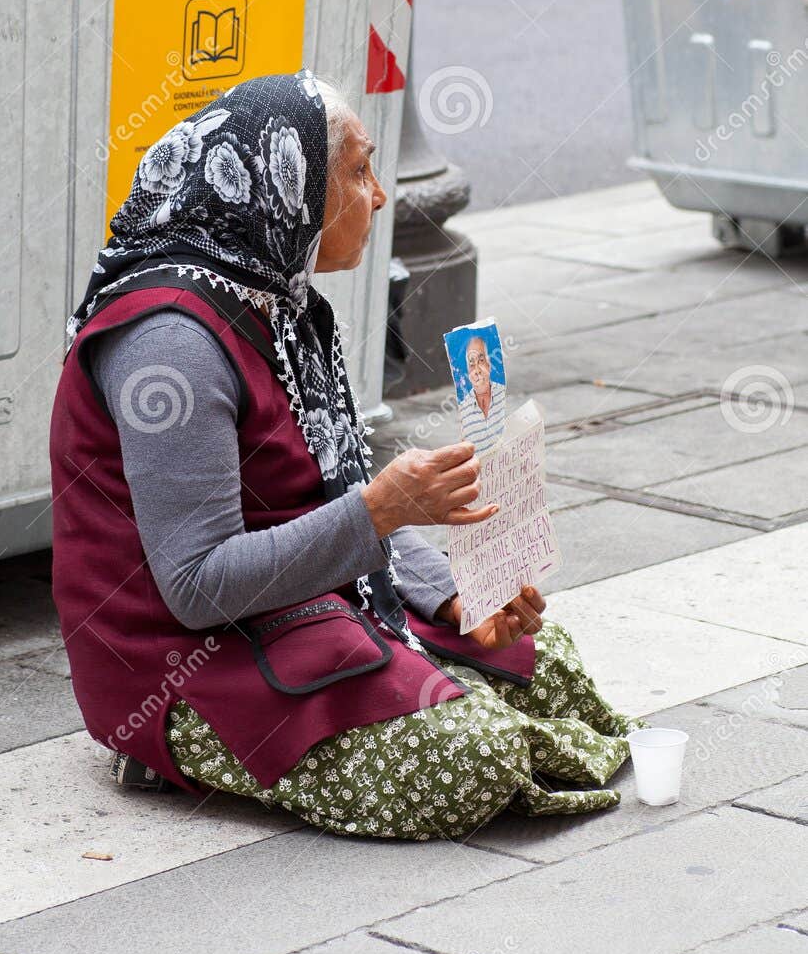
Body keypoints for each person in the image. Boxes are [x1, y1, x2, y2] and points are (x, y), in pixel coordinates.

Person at [50, 69, 642, 840]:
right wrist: (383, 510)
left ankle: (467, 700)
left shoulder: (281, 302)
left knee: (541, 656)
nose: (381, 195)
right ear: (289, 188)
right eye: (359, 172)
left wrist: (455, 597)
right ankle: (168, 752)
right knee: (477, 758)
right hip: (189, 660)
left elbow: (341, 490)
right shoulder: (172, 346)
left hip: (308, 605)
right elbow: (197, 587)